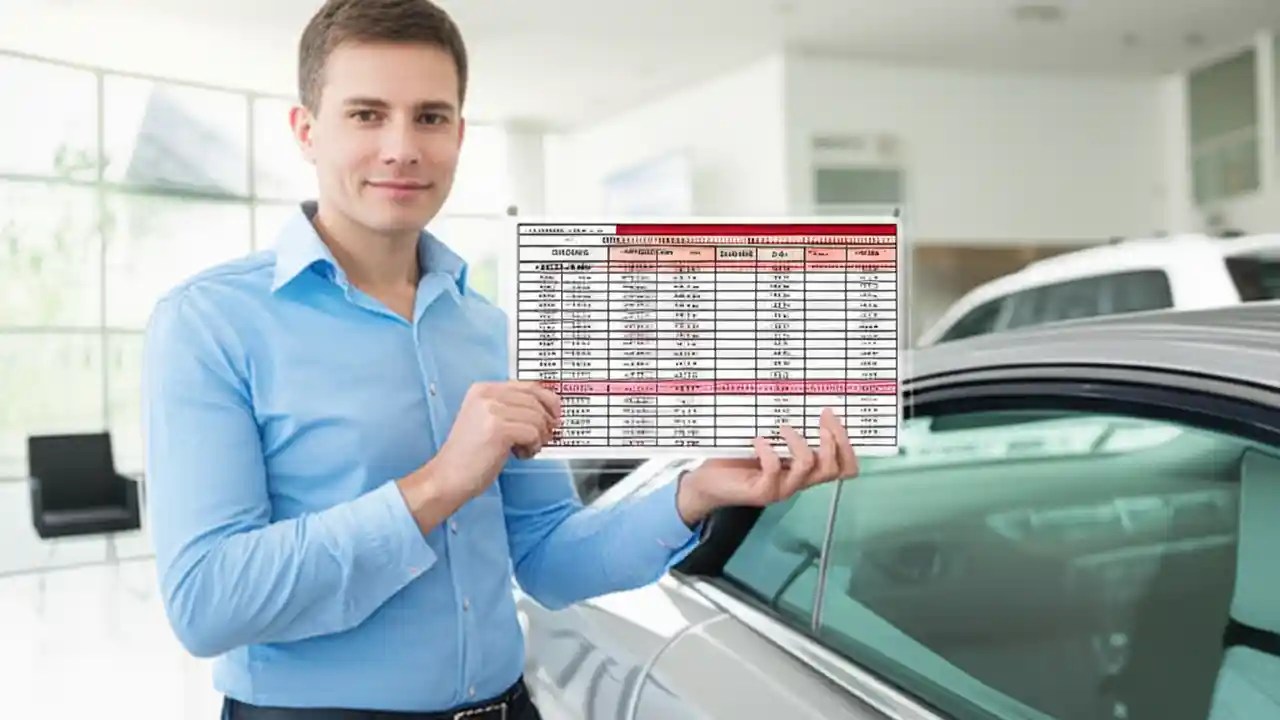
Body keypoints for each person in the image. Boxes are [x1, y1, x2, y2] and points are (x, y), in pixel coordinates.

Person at [141, 0, 861, 718]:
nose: (402, 147)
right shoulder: (211, 323)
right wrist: (440, 483)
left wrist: (695, 493)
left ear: (458, 132)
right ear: (306, 131)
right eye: (366, 114)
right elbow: (208, 602)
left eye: (430, 116)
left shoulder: (492, 328)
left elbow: (548, 557)